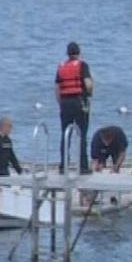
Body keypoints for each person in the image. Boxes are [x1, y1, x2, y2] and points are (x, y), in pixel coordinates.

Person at [54, 41, 94, 174]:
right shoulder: (82, 66)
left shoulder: (61, 67)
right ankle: (83, 166)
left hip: (65, 103)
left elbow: (57, 89)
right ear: (79, 53)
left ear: (67, 53)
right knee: (82, 134)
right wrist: (89, 95)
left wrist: (61, 103)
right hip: (79, 101)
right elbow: (88, 84)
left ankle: (63, 165)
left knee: (66, 134)